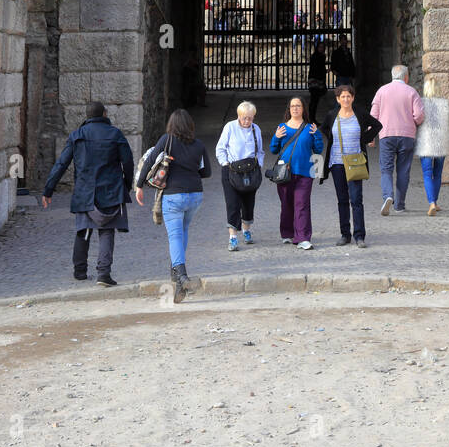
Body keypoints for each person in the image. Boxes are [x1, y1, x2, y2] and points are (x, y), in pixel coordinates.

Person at [42, 101, 134, 287]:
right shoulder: (115, 134)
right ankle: (103, 274)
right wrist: (126, 185)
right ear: (105, 114)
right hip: (111, 190)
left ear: (87, 116)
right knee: (107, 231)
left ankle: (80, 271)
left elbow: (62, 164)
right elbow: (128, 162)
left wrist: (48, 189)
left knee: (83, 231)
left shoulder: (77, 136)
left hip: (85, 191)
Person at [134, 108, 211, 302]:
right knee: (182, 232)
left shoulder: (166, 140)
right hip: (195, 195)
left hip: (173, 195)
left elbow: (150, 162)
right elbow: (207, 172)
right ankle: (177, 281)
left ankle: (182, 275)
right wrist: (190, 171)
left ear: (171, 125)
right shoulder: (199, 145)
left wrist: (139, 185)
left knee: (175, 235)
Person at [320, 84, 381, 248]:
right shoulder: (332, 114)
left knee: (356, 199)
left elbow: (377, 125)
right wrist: (331, 140)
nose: (346, 99)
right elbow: (324, 128)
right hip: (337, 163)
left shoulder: (359, 113)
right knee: (342, 200)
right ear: (338, 99)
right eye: (342, 97)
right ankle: (345, 234)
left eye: (348, 96)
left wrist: (365, 139)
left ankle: (359, 235)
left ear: (353, 98)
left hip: (355, 162)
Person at [270, 95, 322, 249]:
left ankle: (303, 238)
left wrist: (317, 135)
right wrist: (276, 137)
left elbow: (318, 149)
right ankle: (287, 233)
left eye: (298, 106)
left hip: (305, 172)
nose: (295, 109)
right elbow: (274, 150)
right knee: (286, 204)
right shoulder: (282, 127)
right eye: (292, 106)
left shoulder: (309, 127)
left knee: (302, 204)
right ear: (289, 109)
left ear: (303, 109)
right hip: (284, 172)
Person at [370, 65, 424, 215]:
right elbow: (419, 115)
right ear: (406, 77)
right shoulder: (412, 92)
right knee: (403, 170)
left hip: (386, 134)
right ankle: (399, 205)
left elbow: (373, 115)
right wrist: (413, 122)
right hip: (406, 135)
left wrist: (370, 136)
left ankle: (388, 195)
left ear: (392, 76)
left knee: (386, 169)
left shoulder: (382, 91)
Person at [216, 101, 264, 251]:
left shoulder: (256, 129)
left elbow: (260, 151)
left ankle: (246, 229)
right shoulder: (230, 127)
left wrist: (259, 165)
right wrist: (224, 163)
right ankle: (233, 237)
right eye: (244, 118)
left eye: (250, 118)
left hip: (250, 171)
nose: (247, 121)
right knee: (233, 204)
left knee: (248, 204)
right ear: (238, 116)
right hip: (231, 170)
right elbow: (220, 148)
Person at [416, 90, 449, 216]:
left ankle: (431, 203)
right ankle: (435, 203)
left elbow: (417, 119)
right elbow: (448, 123)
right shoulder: (444, 103)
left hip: (426, 142)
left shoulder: (420, 102)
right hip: (441, 141)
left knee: (427, 174)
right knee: (437, 174)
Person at [307, 45, 327, 122]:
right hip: (315, 81)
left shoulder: (320, 56)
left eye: (322, 47)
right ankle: (311, 118)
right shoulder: (317, 57)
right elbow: (317, 68)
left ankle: (312, 118)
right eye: (320, 47)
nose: (322, 49)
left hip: (317, 80)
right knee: (314, 100)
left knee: (315, 100)